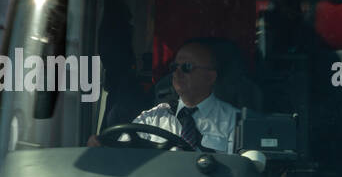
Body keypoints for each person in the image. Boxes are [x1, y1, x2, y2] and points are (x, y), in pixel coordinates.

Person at [91, 42, 239, 153]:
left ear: (210, 77)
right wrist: (102, 150)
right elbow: (122, 157)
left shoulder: (235, 122)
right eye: (174, 67)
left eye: (186, 67)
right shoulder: (152, 118)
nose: (177, 73)